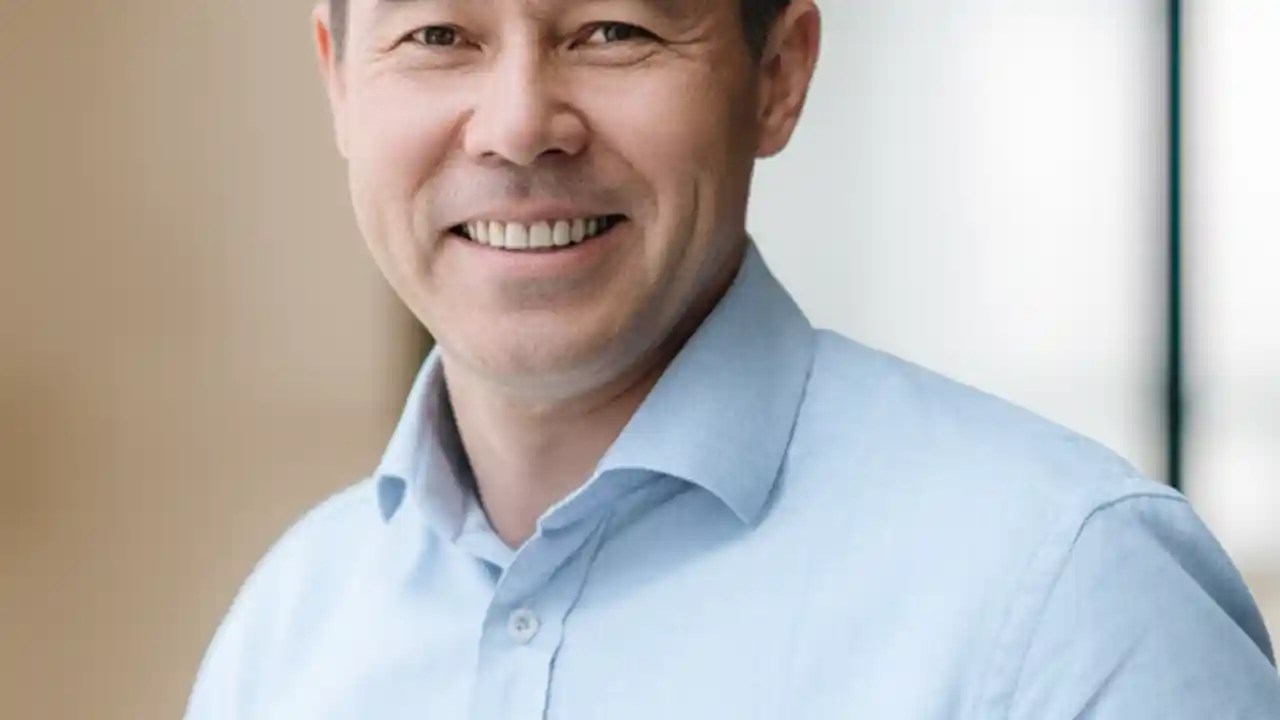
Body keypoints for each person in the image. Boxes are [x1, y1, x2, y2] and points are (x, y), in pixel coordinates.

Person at [186, 0, 1280, 717]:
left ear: (777, 76)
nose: (518, 126)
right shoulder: (289, 630)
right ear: (338, 82)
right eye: (436, 36)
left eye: (612, 29)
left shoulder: (1070, 596)